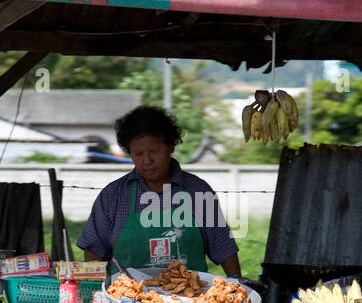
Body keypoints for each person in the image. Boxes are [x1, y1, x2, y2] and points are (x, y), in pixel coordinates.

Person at [78, 106, 241, 277]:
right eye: (138, 154)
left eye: (154, 151)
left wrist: (238, 283)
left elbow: (222, 246)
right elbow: (94, 250)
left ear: (171, 146)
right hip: (125, 299)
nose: (147, 161)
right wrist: (97, 289)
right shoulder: (113, 195)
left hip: (190, 299)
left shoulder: (197, 191)